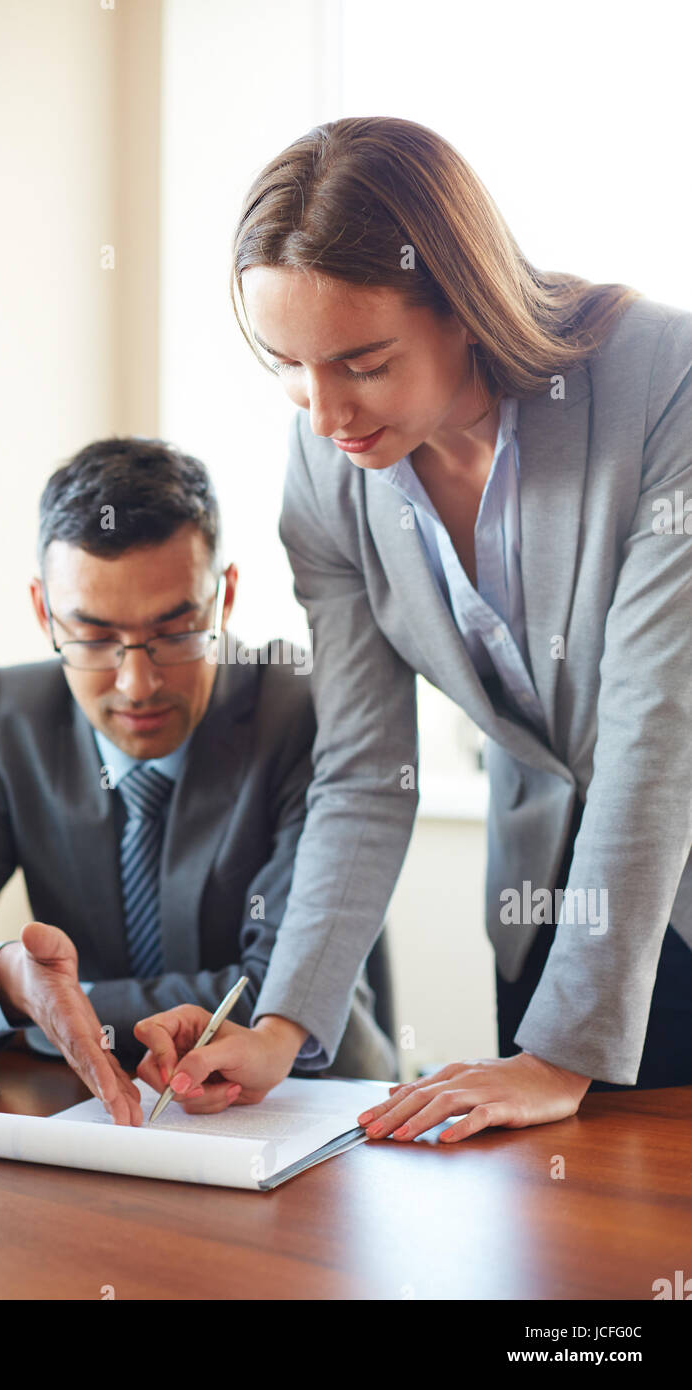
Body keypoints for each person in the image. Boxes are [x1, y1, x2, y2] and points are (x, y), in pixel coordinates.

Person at [132, 116, 692, 1142]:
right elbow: (362, 767)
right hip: (548, 894)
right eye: (287, 364)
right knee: (568, 1251)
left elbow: (656, 729)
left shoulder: (665, 381)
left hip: (667, 846)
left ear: (464, 305)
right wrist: (279, 1024)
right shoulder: (325, 474)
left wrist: (563, 1050)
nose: (323, 413)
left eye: (361, 361)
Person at [0, 434, 399, 1125]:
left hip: (319, 1120)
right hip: (107, 1128)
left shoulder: (300, 710)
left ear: (223, 598)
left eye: (175, 631)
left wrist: (44, 1011)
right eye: (95, 638)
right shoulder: (9, 721)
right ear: (45, 612)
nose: (138, 684)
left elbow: (265, 994)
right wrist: (8, 981)